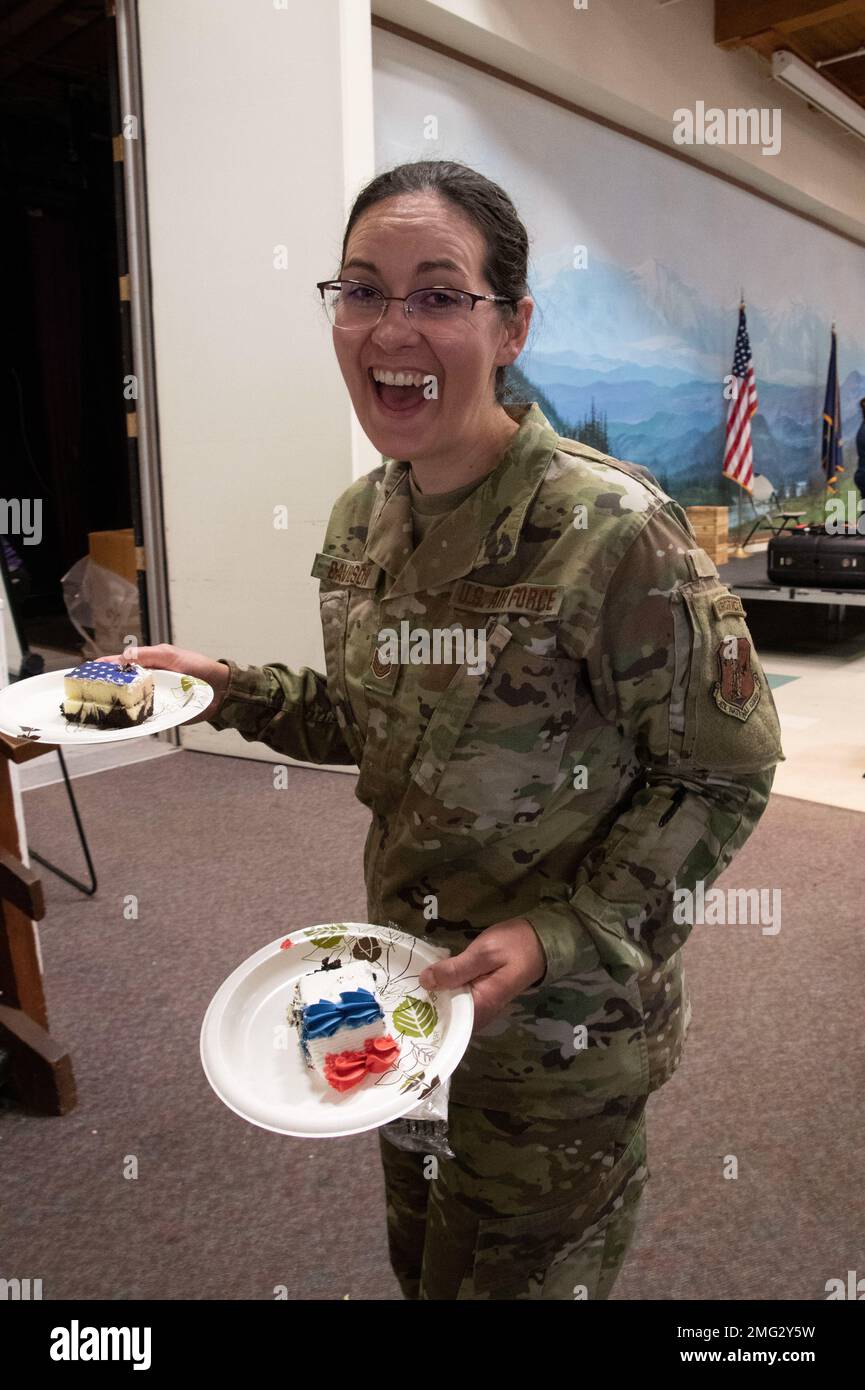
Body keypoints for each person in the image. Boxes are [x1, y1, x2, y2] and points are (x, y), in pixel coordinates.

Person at [106, 160, 784, 1300]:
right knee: (426, 1266)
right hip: (407, 994)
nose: (390, 329)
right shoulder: (362, 517)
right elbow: (375, 725)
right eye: (361, 291)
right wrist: (222, 687)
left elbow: (722, 776)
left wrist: (563, 932)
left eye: (437, 294)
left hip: (564, 1026)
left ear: (511, 324)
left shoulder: (614, 530)